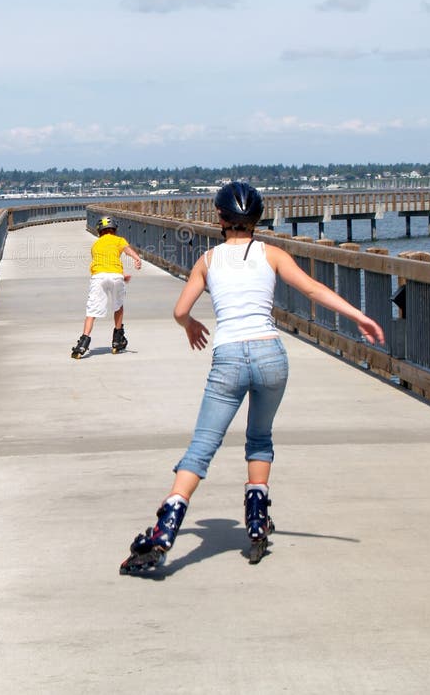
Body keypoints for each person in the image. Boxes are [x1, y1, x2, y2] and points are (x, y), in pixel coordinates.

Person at [120, 181, 385, 572]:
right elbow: (312, 290)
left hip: (228, 358)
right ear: (257, 218)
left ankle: (164, 533)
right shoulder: (273, 254)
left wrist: (190, 325)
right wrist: (360, 316)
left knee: (201, 448)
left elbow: (179, 311)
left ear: (220, 218)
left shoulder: (207, 261)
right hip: (270, 355)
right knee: (260, 437)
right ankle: (257, 523)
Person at [71, 215, 142, 359]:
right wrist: (136, 258)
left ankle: (83, 342)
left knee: (92, 312)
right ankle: (117, 340)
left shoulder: (96, 245)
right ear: (114, 229)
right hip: (116, 276)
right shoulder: (119, 240)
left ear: (99, 231)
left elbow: (103, 264)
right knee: (118, 306)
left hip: (99, 277)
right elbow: (125, 251)